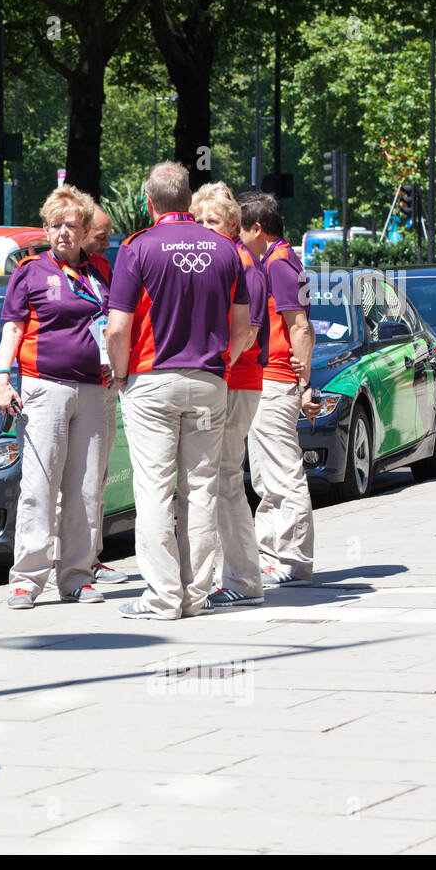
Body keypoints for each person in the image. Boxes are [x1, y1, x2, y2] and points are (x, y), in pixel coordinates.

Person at [105, 161, 252, 619]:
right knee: (202, 487)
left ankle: (163, 596)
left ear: (148, 203)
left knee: (153, 489)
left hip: (152, 378)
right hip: (209, 380)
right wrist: (222, 364)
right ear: (190, 201)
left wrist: (121, 374)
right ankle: (196, 592)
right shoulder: (226, 249)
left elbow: (116, 329)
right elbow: (245, 328)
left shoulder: (137, 248)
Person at [0, 185, 114, 609]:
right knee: (39, 486)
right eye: (57, 225)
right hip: (44, 386)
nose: (65, 232)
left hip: (95, 388)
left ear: (84, 232)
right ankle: (27, 578)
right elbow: (11, 328)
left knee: (85, 489)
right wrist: (1, 378)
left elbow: (116, 326)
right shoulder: (30, 271)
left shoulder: (101, 271)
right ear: (46, 230)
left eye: (73, 225)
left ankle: (78, 575)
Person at [188, 183, 268, 608]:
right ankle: (237, 575)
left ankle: (241, 578)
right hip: (227, 378)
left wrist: (219, 369)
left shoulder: (243, 264)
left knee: (225, 479)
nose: (204, 228)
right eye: (198, 221)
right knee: (221, 479)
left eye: (212, 221)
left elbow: (249, 329)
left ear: (234, 225)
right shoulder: (218, 261)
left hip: (236, 381)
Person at [237, 191, 319, 588]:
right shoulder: (282, 260)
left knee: (281, 474)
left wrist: (303, 383)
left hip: (275, 378)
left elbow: (300, 326)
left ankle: (290, 559)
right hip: (277, 378)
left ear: (257, 228)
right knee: (269, 477)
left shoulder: (279, 263)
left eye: (241, 229)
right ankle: (275, 556)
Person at [77, 205, 127, 586]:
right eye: (102, 235)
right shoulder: (46, 271)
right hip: (69, 384)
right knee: (68, 479)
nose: (108, 242)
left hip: (104, 382)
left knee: (97, 475)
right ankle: (62, 560)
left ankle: (90, 558)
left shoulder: (102, 270)